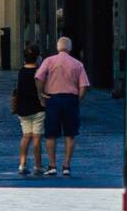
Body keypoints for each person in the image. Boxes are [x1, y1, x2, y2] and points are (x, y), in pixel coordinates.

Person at [35, 36, 90, 177]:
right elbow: (84, 86)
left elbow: (39, 77)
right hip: (71, 99)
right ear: (70, 48)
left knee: (51, 134)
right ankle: (66, 166)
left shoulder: (49, 61)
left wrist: (41, 94)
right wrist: (78, 99)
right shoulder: (77, 64)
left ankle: (52, 165)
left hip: (53, 99)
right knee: (70, 134)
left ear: (57, 47)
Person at [14, 43, 46, 177]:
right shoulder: (38, 73)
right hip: (37, 108)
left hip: (23, 108)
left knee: (26, 136)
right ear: (38, 57)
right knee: (37, 138)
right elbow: (41, 91)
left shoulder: (21, 72)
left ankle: (22, 164)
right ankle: (38, 166)